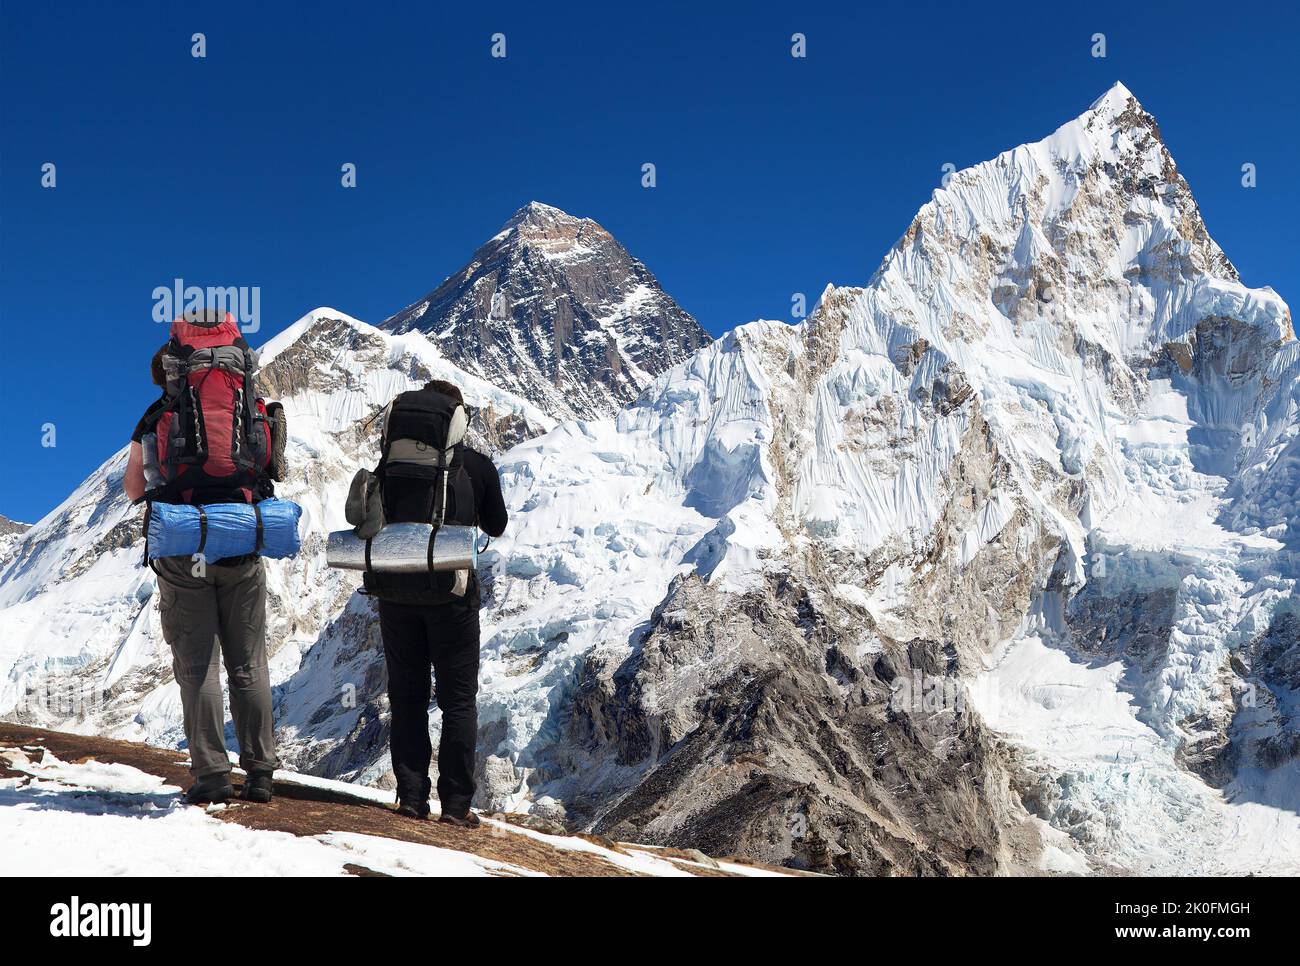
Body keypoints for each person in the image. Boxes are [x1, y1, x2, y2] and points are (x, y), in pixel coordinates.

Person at [123, 311, 279, 806]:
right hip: (242, 542)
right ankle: (260, 774)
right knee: (249, 665)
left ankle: (212, 776)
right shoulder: (251, 406)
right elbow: (273, 468)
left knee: (198, 668)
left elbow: (132, 489)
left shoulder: (157, 416)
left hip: (183, 546)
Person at [363, 379, 507, 826]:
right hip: (452, 596)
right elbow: (498, 526)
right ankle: (458, 807)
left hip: (396, 594)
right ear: (457, 420)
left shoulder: (390, 464)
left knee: (406, 697)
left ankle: (411, 798)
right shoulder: (476, 467)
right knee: (458, 701)